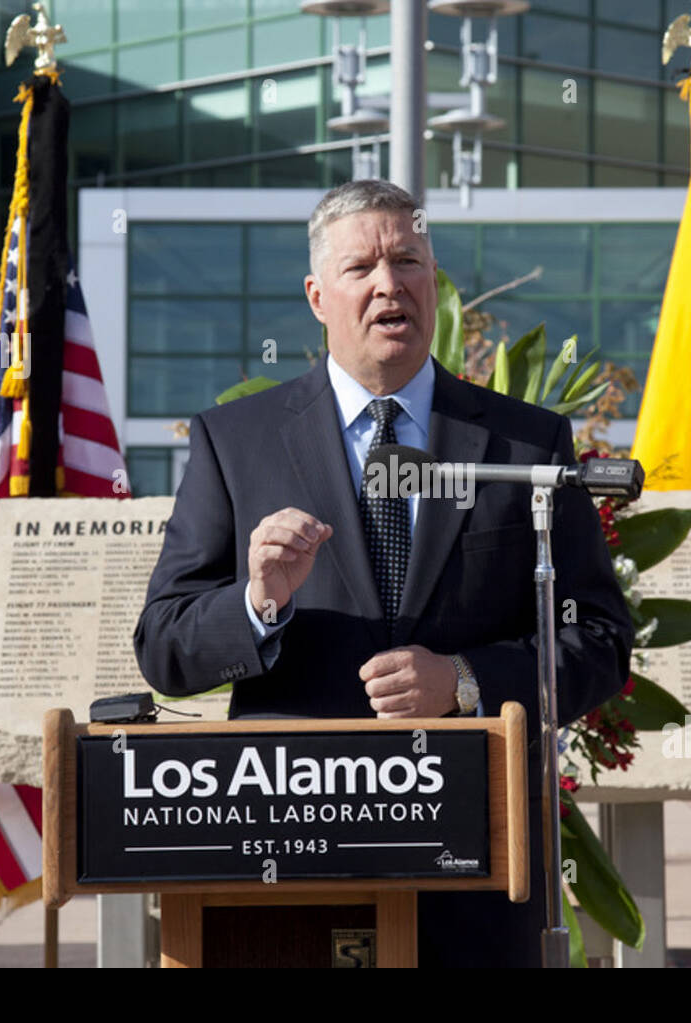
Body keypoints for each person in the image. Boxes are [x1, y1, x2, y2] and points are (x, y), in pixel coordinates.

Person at [133, 179, 633, 967]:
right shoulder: (238, 442)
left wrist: (467, 681)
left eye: (408, 261)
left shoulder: (524, 445)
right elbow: (162, 648)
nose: (387, 284)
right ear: (317, 295)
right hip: (293, 864)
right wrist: (258, 602)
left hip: (475, 867)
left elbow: (600, 641)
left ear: (432, 282)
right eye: (361, 266)